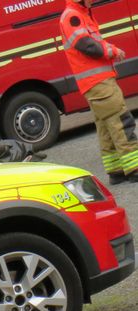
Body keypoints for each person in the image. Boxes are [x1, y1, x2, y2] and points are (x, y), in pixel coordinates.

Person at [60, 0, 138, 185]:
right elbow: (88, 46)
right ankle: (135, 167)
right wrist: (112, 50)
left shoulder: (79, 13)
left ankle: (116, 170)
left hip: (95, 83)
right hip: (99, 83)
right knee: (121, 121)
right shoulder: (73, 16)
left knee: (106, 126)